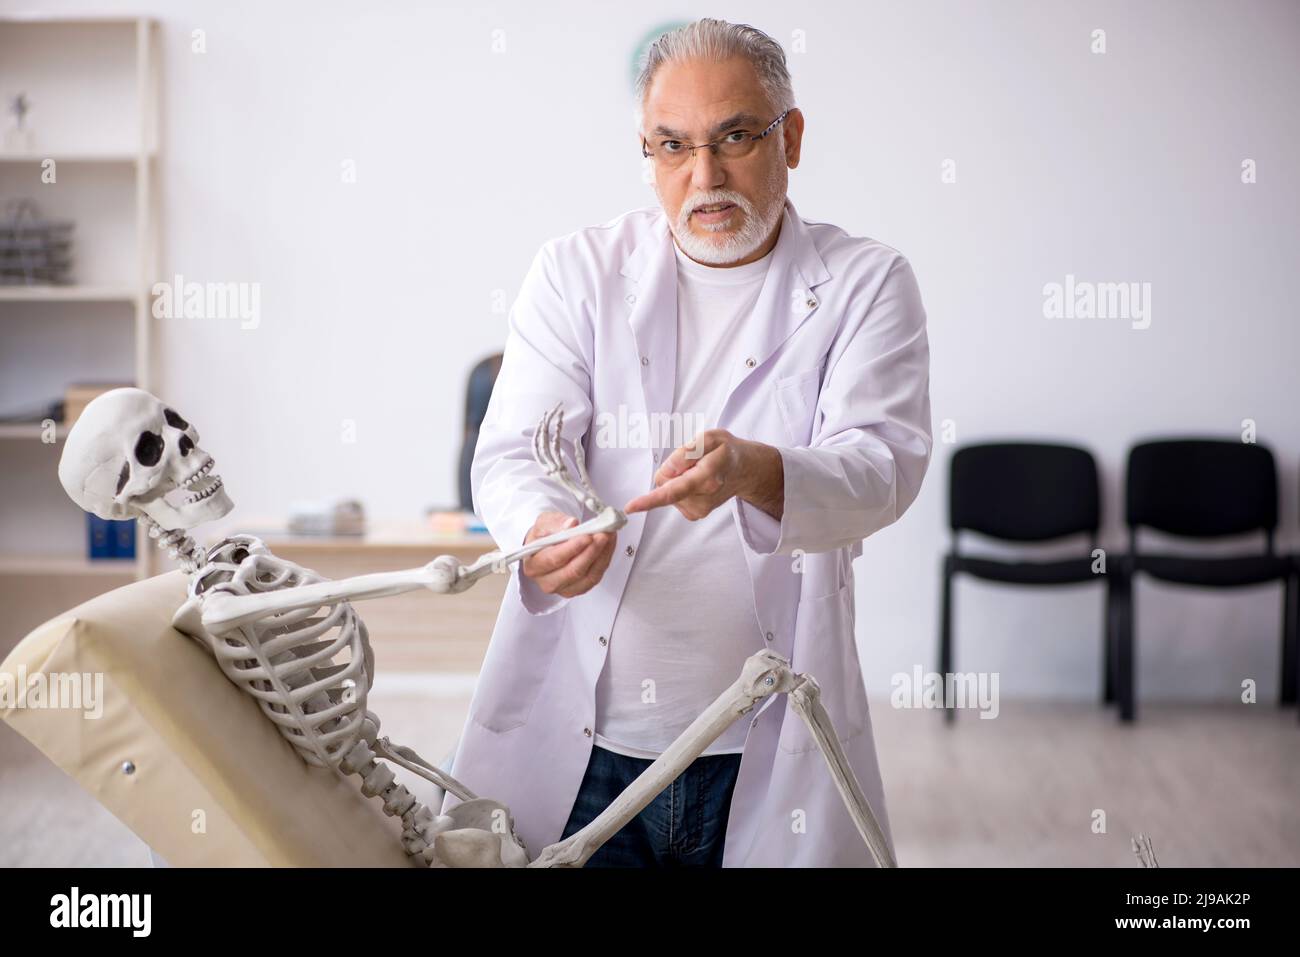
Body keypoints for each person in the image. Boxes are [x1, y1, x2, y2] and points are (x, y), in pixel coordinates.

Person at [441, 17, 932, 867]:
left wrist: (757, 470)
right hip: (585, 753)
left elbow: (882, 466)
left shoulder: (864, 283)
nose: (704, 176)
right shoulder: (577, 272)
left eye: (735, 136)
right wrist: (539, 529)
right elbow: (513, 450)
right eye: (672, 146)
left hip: (765, 754)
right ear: (647, 149)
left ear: (793, 136)